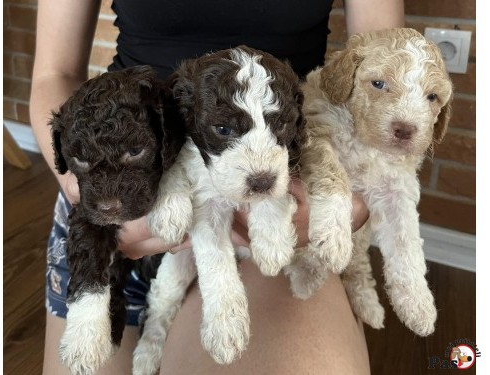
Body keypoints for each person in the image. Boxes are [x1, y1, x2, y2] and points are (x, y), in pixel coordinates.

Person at [30, 0, 404, 373]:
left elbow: (386, 77)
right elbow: (54, 73)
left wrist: (352, 200)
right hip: (109, 182)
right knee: (86, 353)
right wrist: (87, 191)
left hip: (270, 201)